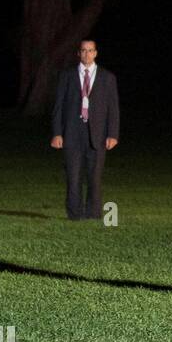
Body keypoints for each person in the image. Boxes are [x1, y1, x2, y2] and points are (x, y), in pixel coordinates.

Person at [50, 39, 120, 221]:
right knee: (73, 177)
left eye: (90, 50)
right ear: (78, 53)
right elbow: (58, 106)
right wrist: (57, 132)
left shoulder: (107, 77)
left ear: (96, 53)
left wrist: (113, 134)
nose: (87, 54)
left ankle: (93, 214)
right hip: (72, 134)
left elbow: (113, 108)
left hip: (97, 135)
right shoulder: (67, 76)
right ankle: (74, 214)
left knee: (94, 177)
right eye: (83, 50)